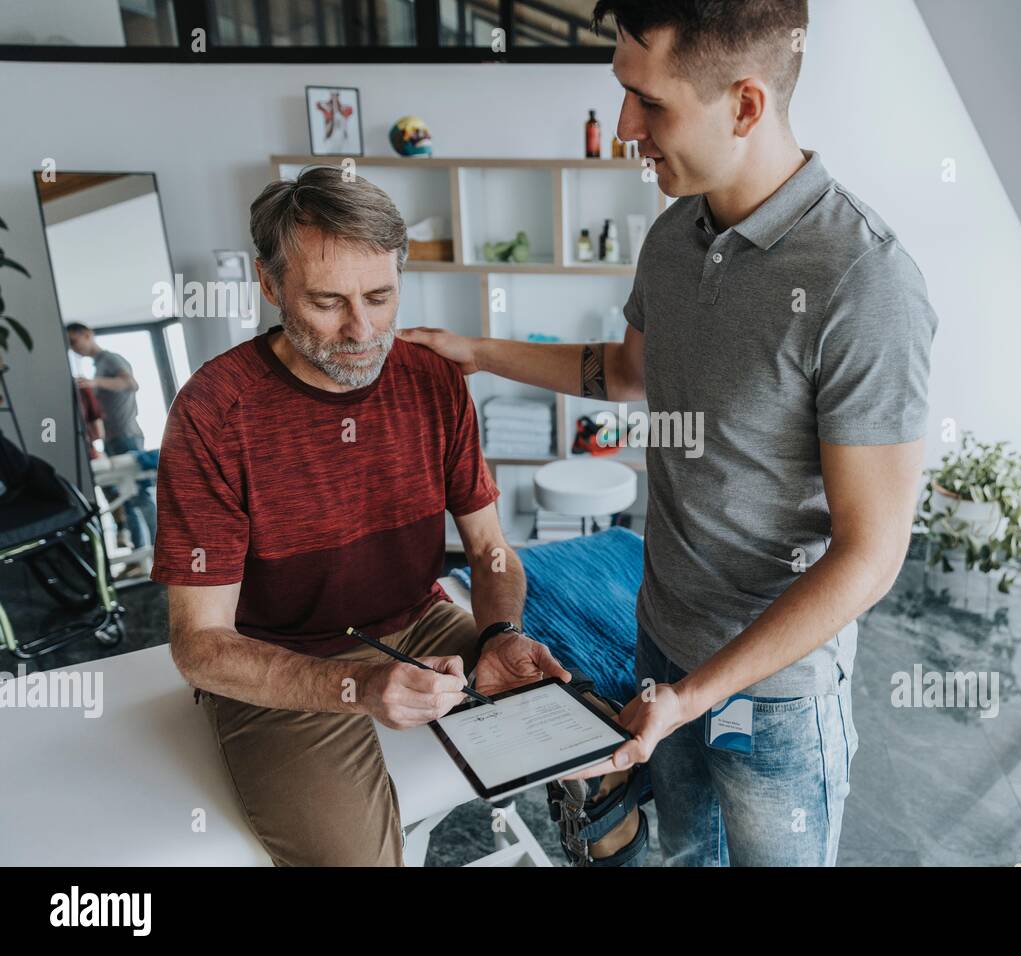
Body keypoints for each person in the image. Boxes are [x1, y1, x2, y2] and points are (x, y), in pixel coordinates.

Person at [400, 0, 940, 865]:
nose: (623, 126)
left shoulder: (864, 281)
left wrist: (694, 698)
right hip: (663, 635)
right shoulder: (672, 237)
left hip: (773, 698)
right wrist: (477, 352)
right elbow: (627, 372)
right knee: (689, 854)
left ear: (746, 105)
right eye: (623, 94)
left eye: (649, 102)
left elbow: (870, 557)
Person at [148, 167, 573, 866]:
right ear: (269, 284)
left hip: (421, 618)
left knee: (588, 734)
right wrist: (357, 686)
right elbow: (200, 646)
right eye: (327, 302)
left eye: (381, 297)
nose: (363, 329)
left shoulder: (432, 380)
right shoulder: (213, 414)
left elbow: (492, 550)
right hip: (277, 656)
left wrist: (498, 633)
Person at [67, 323, 156, 553]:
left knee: (140, 495)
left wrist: (95, 383)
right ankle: (139, 553)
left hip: (126, 436)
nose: (74, 348)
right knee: (126, 498)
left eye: (74, 342)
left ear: (88, 334)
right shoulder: (98, 366)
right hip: (113, 439)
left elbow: (130, 384)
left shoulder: (110, 360)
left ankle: (163, 549)